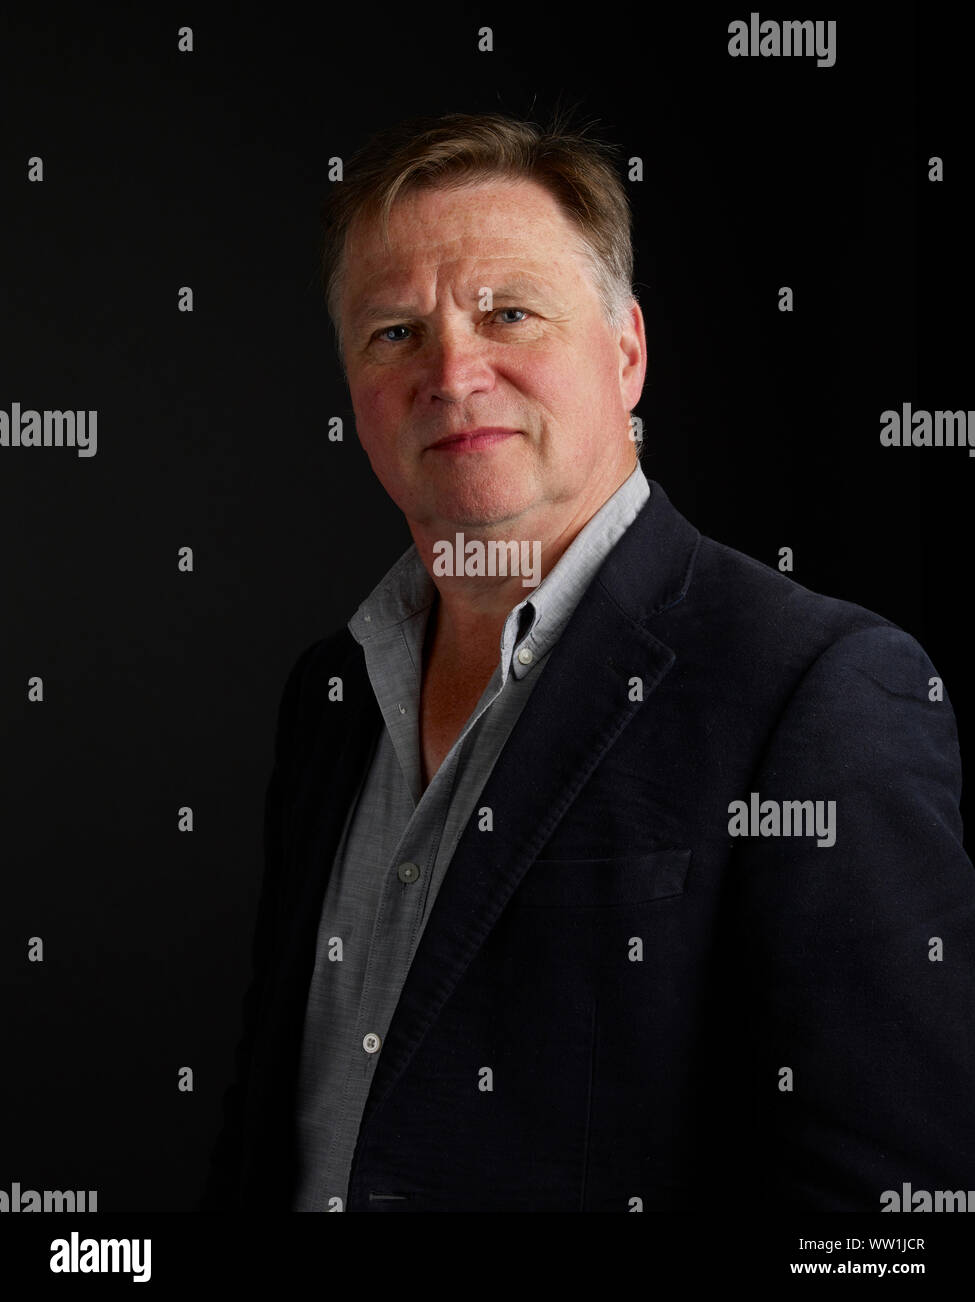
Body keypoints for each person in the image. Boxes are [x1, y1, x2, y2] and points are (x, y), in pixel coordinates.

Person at [199, 112, 975, 1212]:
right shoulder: (328, 697)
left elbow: (893, 1218)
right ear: (355, 396)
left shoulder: (814, 689)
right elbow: (268, 1133)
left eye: (508, 313)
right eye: (393, 334)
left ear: (627, 352)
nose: (453, 372)